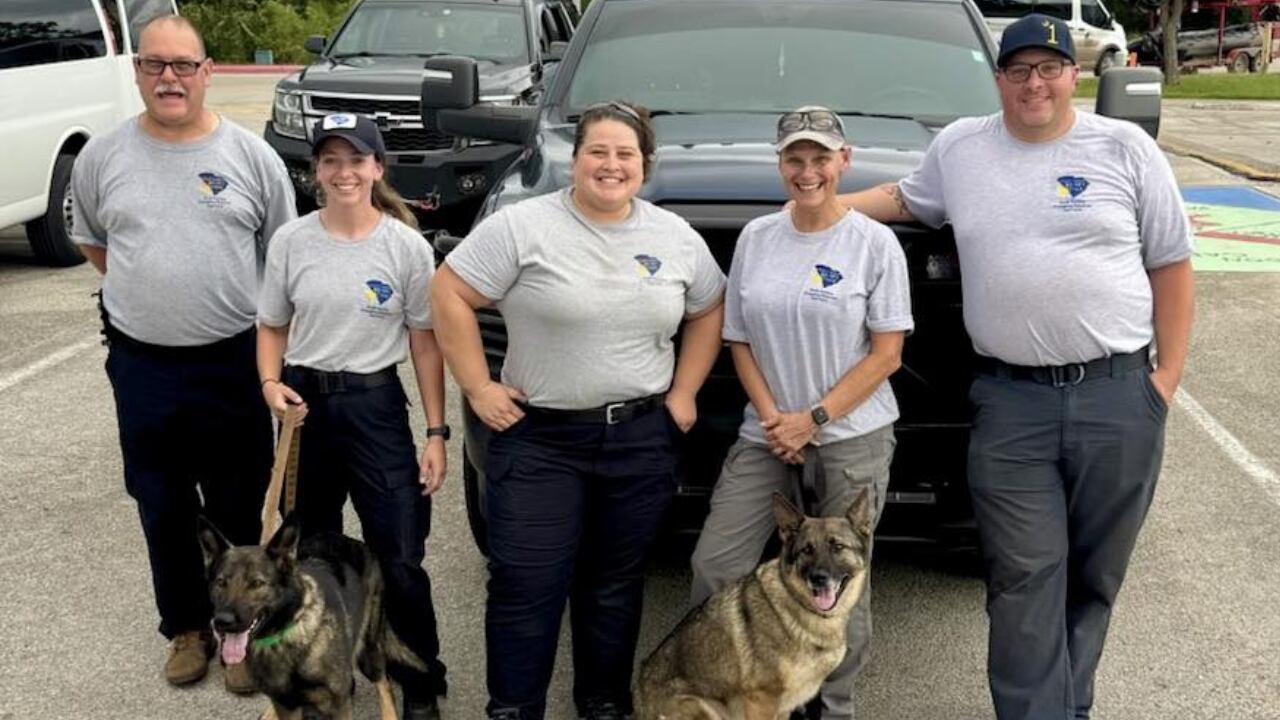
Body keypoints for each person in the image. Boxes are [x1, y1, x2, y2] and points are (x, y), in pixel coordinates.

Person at [836, 15, 1195, 720]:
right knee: (1026, 574)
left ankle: (1069, 704)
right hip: (1011, 404)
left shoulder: (1123, 148)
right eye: (1020, 70)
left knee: (1093, 577)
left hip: (1119, 397)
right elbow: (909, 198)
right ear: (998, 79)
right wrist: (826, 206)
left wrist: (1166, 381)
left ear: (1074, 75)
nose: (1035, 83)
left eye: (1049, 68)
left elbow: (1172, 264)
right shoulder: (962, 147)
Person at [430, 101, 726, 720]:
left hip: (639, 436)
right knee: (526, 585)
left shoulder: (672, 236)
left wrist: (684, 392)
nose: (611, 165)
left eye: (626, 154)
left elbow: (708, 309)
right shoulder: (523, 227)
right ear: (575, 159)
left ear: (645, 165)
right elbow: (449, 291)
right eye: (598, 151)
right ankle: (514, 709)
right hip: (539, 440)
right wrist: (479, 387)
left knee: (613, 585)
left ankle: (602, 703)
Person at [70, 15, 296, 693]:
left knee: (237, 503)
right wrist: (153, 294)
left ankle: (242, 634)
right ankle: (187, 630)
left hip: (233, 362)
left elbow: (280, 259)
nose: (169, 78)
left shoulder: (250, 157)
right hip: (143, 365)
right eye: (154, 65)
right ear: (137, 72)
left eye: (183, 65)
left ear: (207, 72)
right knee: (162, 502)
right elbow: (94, 243)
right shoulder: (102, 157)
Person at [688, 106, 913, 720]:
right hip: (767, 433)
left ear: (844, 161)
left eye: (820, 158)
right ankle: (743, 693)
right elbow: (739, 338)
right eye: (795, 158)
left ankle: (830, 707)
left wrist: (811, 419)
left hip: (850, 434)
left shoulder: (874, 243)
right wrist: (774, 420)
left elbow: (887, 354)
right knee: (717, 564)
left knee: (844, 580)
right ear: (780, 163)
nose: (807, 170)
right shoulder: (759, 237)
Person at [255, 112, 448, 720]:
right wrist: (269, 382)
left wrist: (437, 432)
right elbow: (272, 324)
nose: (344, 172)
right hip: (304, 408)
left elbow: (424, 342)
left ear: (378, 168)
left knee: (399, 555)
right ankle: (316, 665)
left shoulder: (406, 247)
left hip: (374, 407)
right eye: (331, 160)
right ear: (316, 170)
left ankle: (419, 679)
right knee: (308, 551)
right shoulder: (292, 240)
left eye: (356, 159)